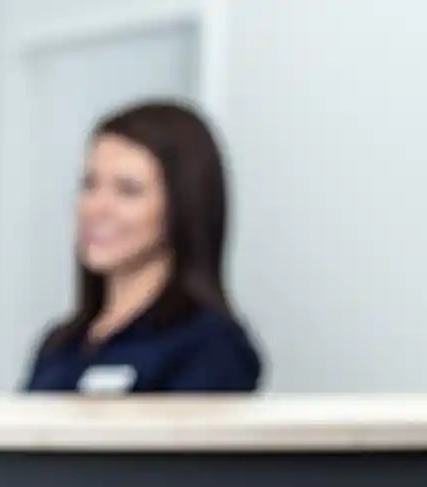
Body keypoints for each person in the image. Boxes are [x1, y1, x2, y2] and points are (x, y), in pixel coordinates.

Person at [22, 102, 262, 394]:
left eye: (128, 190)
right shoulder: (61, 345)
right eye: (89, 184)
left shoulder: (210, 346)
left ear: (181, 206)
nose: (96, 207)